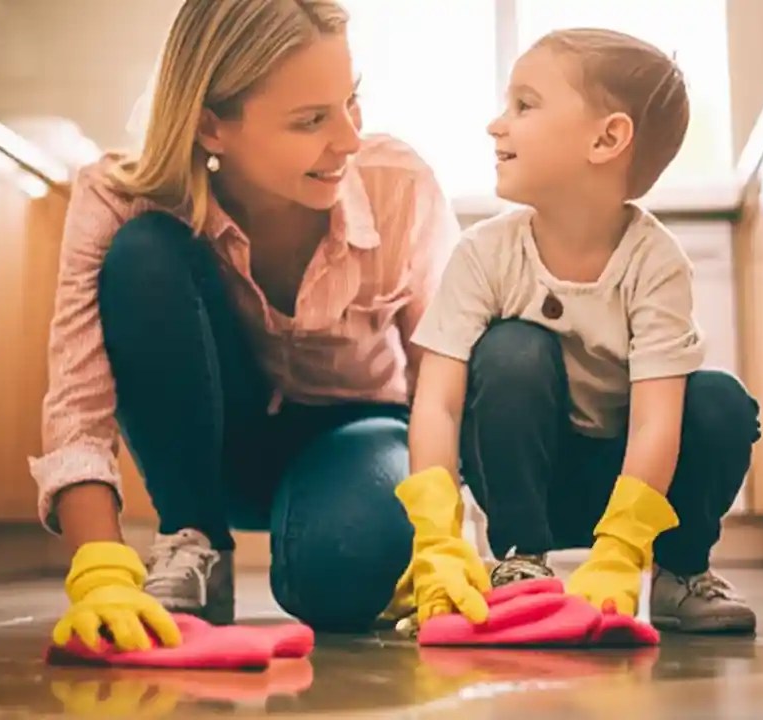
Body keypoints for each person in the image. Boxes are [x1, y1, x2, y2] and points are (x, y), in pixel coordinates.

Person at [31, 0, 460, 651]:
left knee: (346, 572)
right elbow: (78, 400)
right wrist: (100, 570)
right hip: (207, 450)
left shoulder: (398, 185)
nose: (347, 139)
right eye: (311, 120)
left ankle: (340, 548)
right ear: (211, 127)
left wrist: (443, 537)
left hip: (356, 431)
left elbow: (444, 379)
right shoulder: (117, 196)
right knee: (146, 250)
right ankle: (195, 540)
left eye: (352, 101)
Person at [395, 28, 762, 634]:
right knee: (514, 350)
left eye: (524, 105)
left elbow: (656, 422)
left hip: (632, 487)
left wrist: (621, 547)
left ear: (607, 138)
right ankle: (521, 561)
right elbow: (437, 404)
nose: (497, 125)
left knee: (720, 402)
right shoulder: (484, 254)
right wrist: (437, 540)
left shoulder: (656, 262)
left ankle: (678, 571)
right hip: (527, 480)